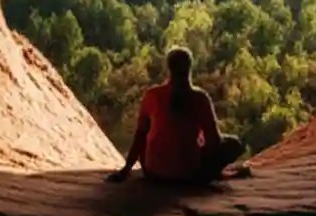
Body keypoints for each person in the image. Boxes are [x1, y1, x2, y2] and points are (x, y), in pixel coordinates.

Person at [105, 46, 246, 184]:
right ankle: (212, 175)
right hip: (188, 174)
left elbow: (140, 135)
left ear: (169, 68)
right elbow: (213, 141)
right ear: (190, 67)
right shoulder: (199, 98)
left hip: (153, 173)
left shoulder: (152, 95)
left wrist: (126, 169)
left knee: (147, 134)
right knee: (233, 144)